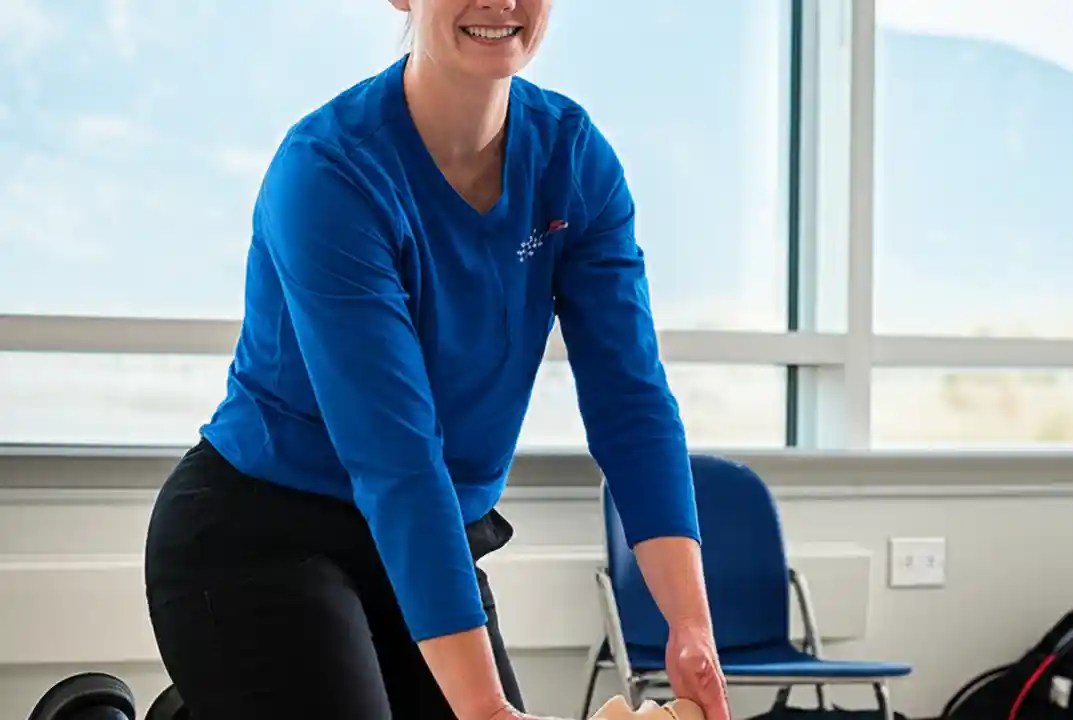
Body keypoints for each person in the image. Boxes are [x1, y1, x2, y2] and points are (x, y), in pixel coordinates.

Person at [142, 1, 732, 719]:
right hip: (261, 537)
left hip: (426, 540)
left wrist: (690, 627)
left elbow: (631, 404)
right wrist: (482, 707)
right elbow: (396, 454)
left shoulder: (573, 160)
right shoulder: (328, 174)